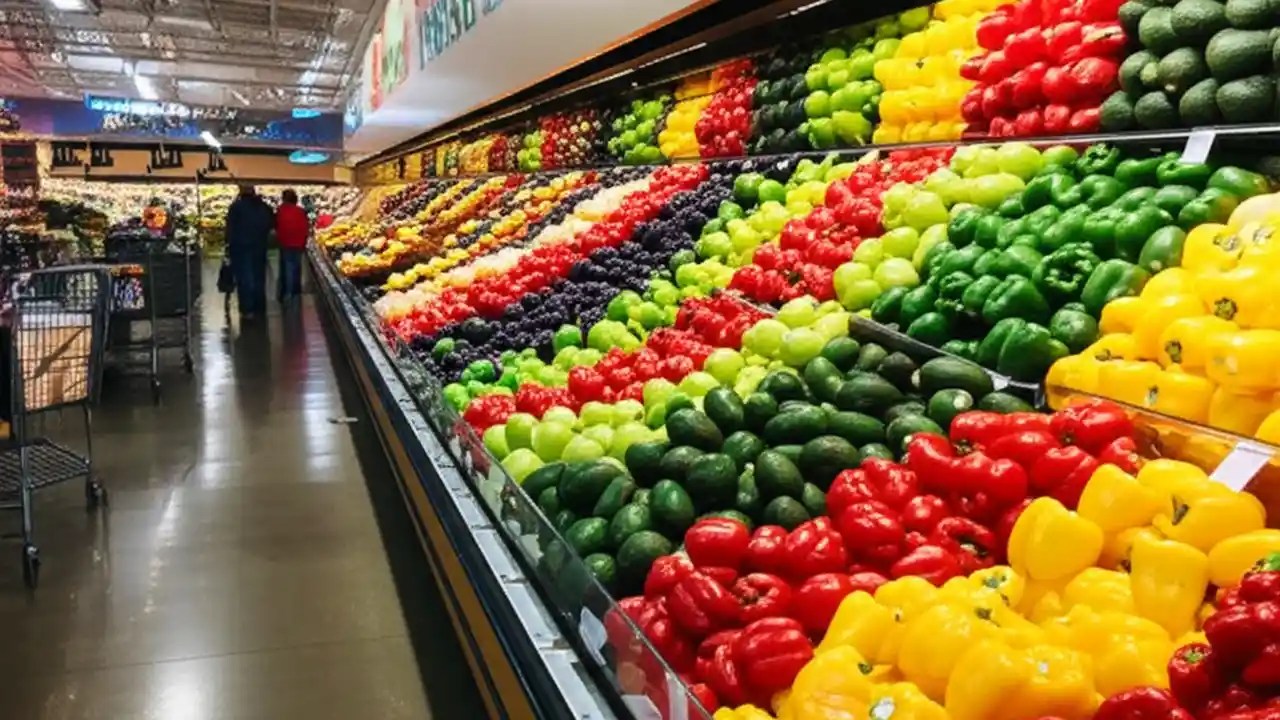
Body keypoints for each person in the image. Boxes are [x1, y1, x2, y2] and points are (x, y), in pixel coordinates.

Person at [225, 184, 273, 318]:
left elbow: (230, 228)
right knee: (259, 277)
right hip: (259, 246)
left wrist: (228, 244)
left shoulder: (236, 207)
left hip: (240, 247)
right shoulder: (263, 207)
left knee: (244, 278)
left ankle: (247, 309)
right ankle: (259, 307)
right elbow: (270, 224)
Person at [275, 189, 309, 302]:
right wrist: (304, 241)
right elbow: (305, 227)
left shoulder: (281, 210)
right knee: (297, 266)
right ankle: (296, 290)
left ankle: (289, 293)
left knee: (288, 267)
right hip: (298, 243)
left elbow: (278, 226)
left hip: (286, 242)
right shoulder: (300, 211)